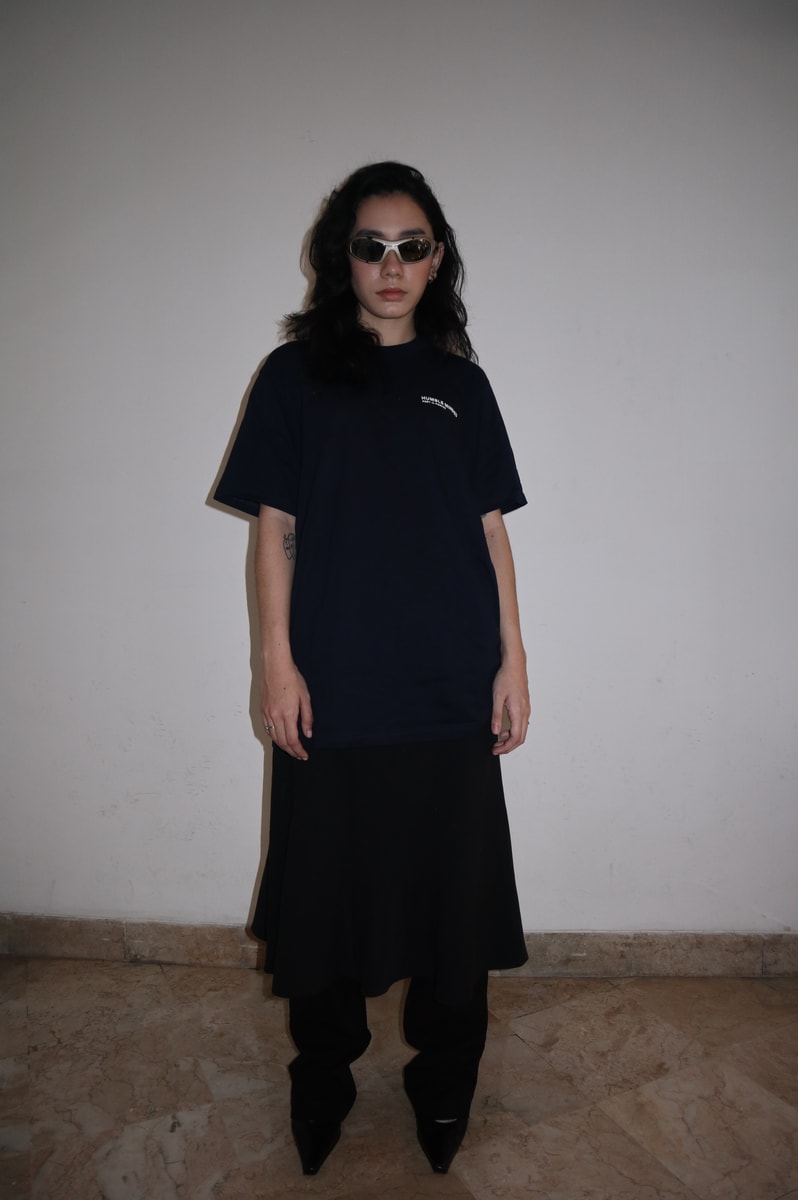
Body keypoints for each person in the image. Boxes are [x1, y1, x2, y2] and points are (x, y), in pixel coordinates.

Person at [214, 161, 530, 1176]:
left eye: (411, 247)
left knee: (452, 894)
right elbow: (275, 530)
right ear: (339, 259)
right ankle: (324, 1077)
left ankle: (445, 1082)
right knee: (326, 894)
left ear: (436, 260)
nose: (391, 266)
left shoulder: (462, 387)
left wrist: (513, 659)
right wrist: (275, 664)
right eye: (370, 246)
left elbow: (490, 533)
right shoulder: (294, 375)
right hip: (335, 689)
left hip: (448, 686)